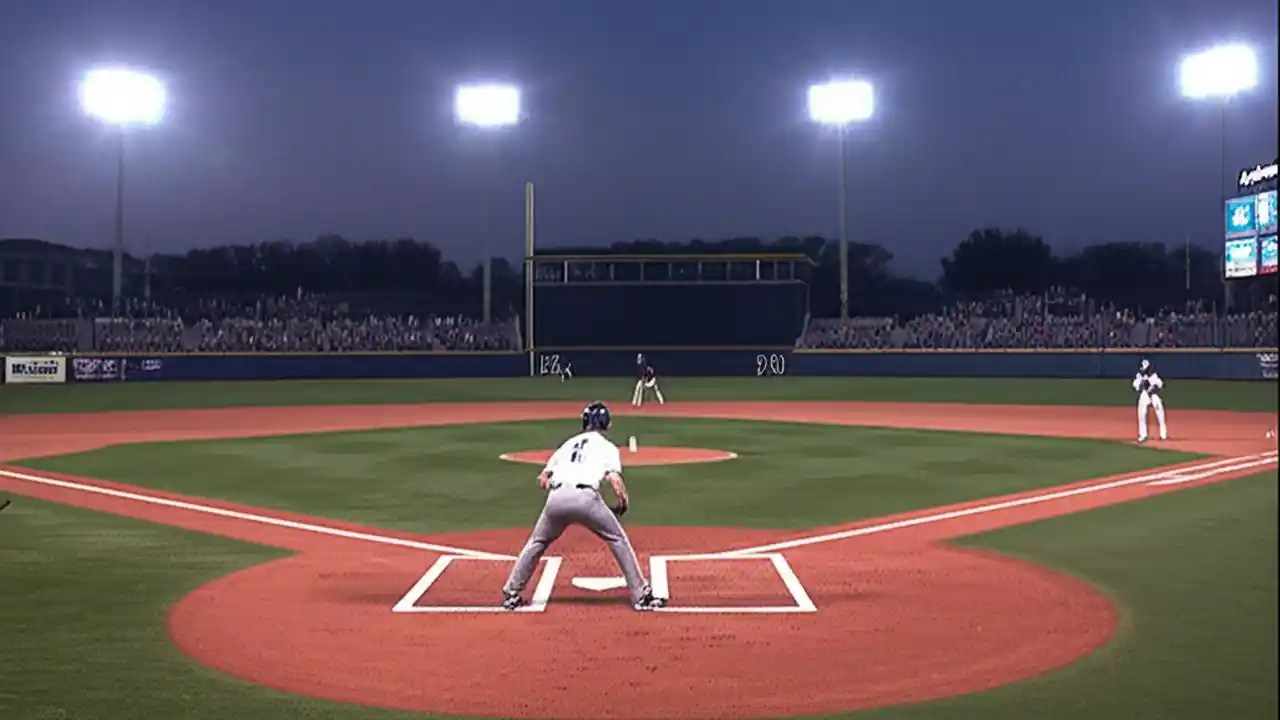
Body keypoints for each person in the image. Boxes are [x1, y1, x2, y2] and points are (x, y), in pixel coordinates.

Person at [501, 402, 667, 611]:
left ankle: (512, 592)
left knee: (537, 542)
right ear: (605, 423)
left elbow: (543, 480)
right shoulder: (607, 447)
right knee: (617, 539)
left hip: (556, 499)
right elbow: (615, 481)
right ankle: (641, 595)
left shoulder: (568, 444)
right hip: (586, 499)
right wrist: (623, 503)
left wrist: (560, 489)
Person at [1132, 358, 1169, 443]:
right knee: (1142, 414)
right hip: (1144, 395)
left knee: (1160, 413)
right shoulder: (1139, 376)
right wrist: (1142, 385)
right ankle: (1143, 435)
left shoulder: (1154, 375)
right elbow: (1135, 386)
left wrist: (1154, 388)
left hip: (1153, 395)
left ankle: (1163, 434)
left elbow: (1160, 384)